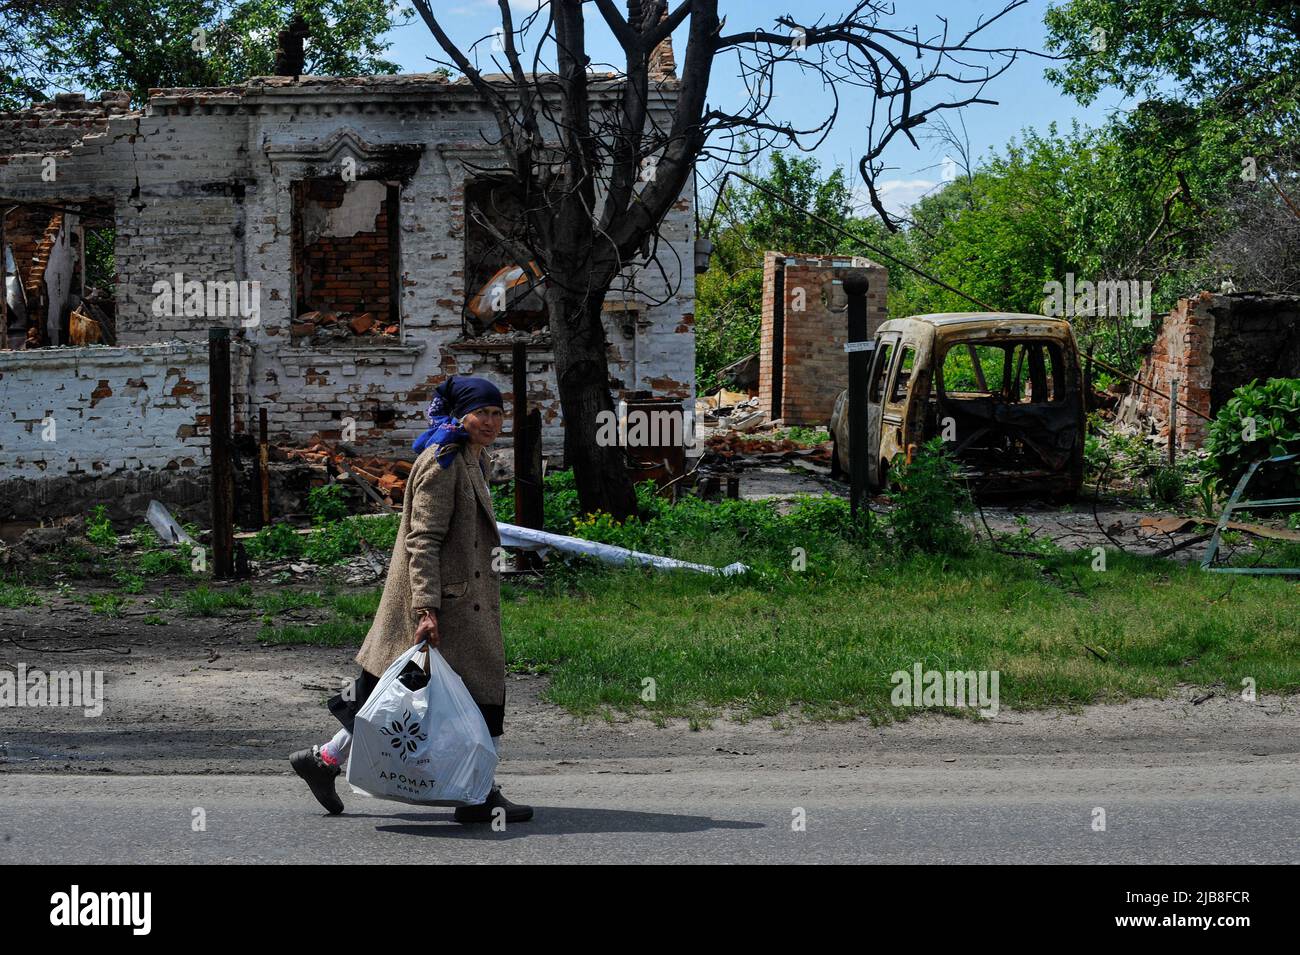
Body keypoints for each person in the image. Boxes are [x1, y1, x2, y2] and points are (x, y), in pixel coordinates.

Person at [290, 375, 533, 824]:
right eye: (483, 413)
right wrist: (426, 609)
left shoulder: (468, 457)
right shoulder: (443, 462)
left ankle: (323, 760)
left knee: (403, 700)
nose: (492, 422)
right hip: (444, 605)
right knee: (465, 699)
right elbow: (423, 539)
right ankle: (480, 797)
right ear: (461, 416)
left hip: (458, 601)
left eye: (499, 413)